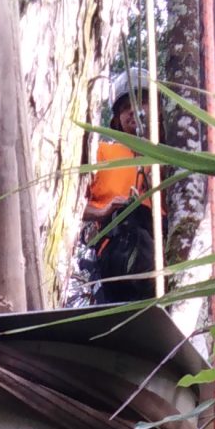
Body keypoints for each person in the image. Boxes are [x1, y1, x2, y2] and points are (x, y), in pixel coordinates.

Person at [79, 89, 157, 302]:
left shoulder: (167, 157)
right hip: (115, 252)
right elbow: (73, 208)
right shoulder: (102, 153)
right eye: (124, 108)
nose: (132, 111)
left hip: (158, 250)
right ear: (117, 120)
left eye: (141, 103)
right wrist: (103, 211)